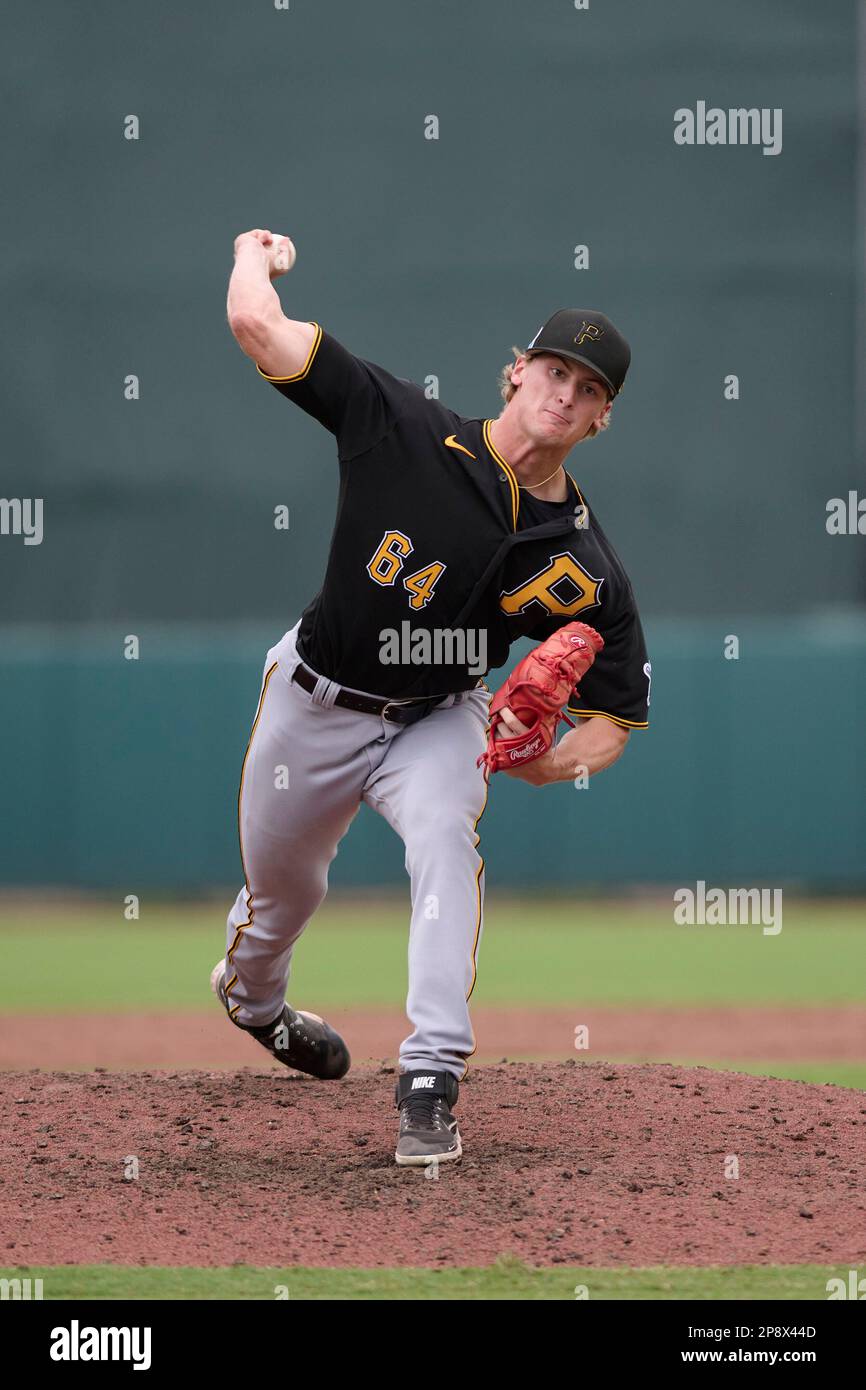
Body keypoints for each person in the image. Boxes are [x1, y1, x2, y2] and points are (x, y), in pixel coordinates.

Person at [211, 227, 651, 1166]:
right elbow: (255, 321)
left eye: (589, 390)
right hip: (314, 702)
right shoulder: (400, 425)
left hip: (440, 718)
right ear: (516, 372)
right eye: (554, 372)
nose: (564, 395)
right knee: (281, 898)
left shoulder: (582, 562)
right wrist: (256, 252)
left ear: (600, 419)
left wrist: (544, 759)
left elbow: (614, 720)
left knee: (448, 838)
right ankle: (255, 1002)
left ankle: (430, 1079)